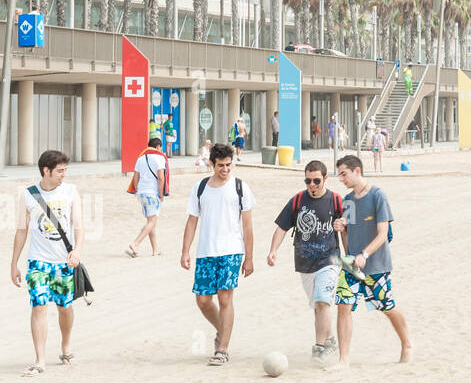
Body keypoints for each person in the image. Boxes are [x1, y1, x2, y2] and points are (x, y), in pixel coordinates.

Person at [333, 155, 412, 365]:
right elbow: (348, 240)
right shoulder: (347, 200)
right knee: (343, 306)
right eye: (339, 175)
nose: (341, 179)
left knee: (386, 306)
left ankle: (406, 343)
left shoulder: (378, 195)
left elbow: (383, 233)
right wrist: (342, 228)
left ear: (357, 171)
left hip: (376, 264)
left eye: (344, 174)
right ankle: (344, 360)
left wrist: (365, 255)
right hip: (352, 265)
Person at [181, 144, 255, 367]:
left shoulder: (240, 187)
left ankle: (222, 348)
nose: (225, 169)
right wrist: (185, 250)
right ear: (211, 164)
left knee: (225, 298)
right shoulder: (200, 187)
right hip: (206, 251)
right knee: (203, 300)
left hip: (231, 250)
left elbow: (248, 226)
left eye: (228, 165)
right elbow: (192, 220)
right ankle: (222, 330)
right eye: (220, 165)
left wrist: (249, 257)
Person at [11, 150, 83, 377]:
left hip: (64, 262)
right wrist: (14, 263)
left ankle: (65, 346)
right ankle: (40, 359)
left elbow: (79, 226)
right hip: (38, 262)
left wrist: (77, 251)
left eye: (65, 170)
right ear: (46, 171)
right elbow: (21, 231)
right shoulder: (28, 195)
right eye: (60, 171)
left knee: (65, 307)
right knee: (39, 306)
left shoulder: (71, 191)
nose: (64, 174)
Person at [267, 160, 342, 366]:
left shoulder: (336, 200)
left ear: (325, 178)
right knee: (318, 307)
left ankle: (319, 347)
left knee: (322, 302)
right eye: (308, 181)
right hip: (304, 263)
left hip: (330, 260)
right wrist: (273, 250)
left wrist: (351, 254)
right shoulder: (298, 200)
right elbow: (282, 228)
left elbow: (346, 230)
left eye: (316, 181)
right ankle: (331, 340)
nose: (312, 185)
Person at [126, 137, 169, 258]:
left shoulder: (140, 158)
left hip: (142, 193)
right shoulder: (159, 158)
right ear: (158, 147)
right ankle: (135, 243)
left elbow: (135, 177)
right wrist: (161, 194)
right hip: (152, 193)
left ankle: (155, 250)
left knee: (151, 222)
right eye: (161, 148)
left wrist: (138, 190)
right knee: (152, 222)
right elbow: (161, 178)